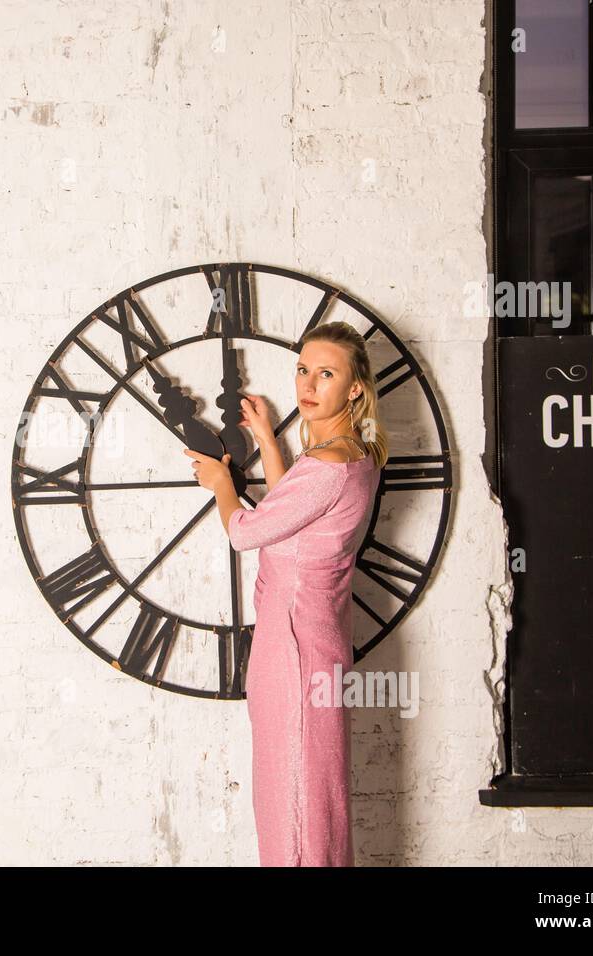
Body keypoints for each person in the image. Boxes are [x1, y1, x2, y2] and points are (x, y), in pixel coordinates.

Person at [184, 321, 388, 866]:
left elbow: (247, 531)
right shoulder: (355, 455)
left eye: (327, 374)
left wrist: (222, 486)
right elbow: (291, 511)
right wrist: (268, 439)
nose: (309, 384)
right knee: (312, 794)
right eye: (303, 369)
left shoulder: (326, 465)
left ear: (355, 388)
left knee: (294, 800)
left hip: (292, 649)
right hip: (314, 644)